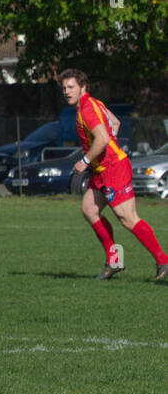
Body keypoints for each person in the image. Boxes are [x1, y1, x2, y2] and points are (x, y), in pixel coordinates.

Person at [61, 69, 167, 281]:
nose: (66, 91)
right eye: (64, 88)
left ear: (83, 87)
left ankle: (163, 261)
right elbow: (115, 123)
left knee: (127, 218)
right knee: (89, 210)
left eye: (71, 87)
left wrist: (85, 160)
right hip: (103, 169)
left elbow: (101, 139)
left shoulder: (87, 110)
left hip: (113, 169)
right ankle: (114, 260)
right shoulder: (93, 103)